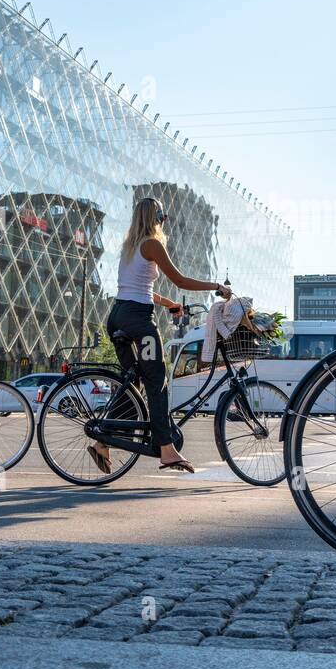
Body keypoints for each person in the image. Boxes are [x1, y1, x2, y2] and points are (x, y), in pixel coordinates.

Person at [94, 196, 230, 476]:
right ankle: (166, 449)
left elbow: (137, 287)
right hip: (139, 322)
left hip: (118, 316)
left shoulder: (129, 246)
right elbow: (180, 279)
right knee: (157, 380)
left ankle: (102, 441)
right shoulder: (152, 244)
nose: (163, 220)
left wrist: (168, 303)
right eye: (162, 216)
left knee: (135, 382)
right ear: (154, 218)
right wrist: (217, 286)